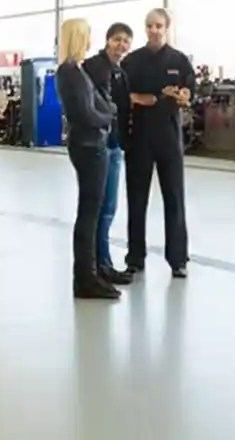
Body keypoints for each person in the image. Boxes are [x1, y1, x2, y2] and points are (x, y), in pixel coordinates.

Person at [122, 8, 195, 279]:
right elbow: (119, 95)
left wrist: (184, 95)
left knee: (174, 198)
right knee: (136, 199)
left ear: (167, 28)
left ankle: (178, 259)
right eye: (150, 26)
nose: (154, 30)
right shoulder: (132, 62)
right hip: (139, 138)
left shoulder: (179, 60)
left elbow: (190, 90)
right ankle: (135, 257)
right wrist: (140, 98)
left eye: (159, 26)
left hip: (169, 138)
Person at [55, 18, 121, 300]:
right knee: (89, 213)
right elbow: (85, 112)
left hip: (91, 143)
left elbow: (98, 103)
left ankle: (91, 273)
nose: (91, 41)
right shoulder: (69, 72)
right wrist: (108, 116)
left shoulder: (76, 70)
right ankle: (85, 278)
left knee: (91, 212)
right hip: (88, 145)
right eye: (87, 35)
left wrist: (107, 110)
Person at [81, 22, 134, 287]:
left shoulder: (119, 72)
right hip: (98, 145)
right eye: (117, 40)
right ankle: (99, 266)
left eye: (125, 41)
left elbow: (122, 108)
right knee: (99, 208)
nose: (120, 45)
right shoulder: (93, 67)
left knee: (109, 208)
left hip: (114, 145)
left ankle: (103, 263)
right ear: (107, 40)